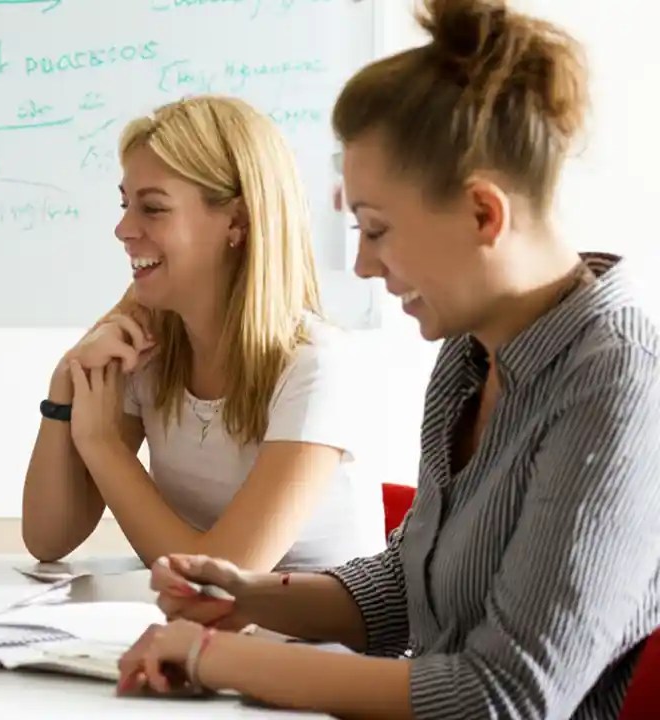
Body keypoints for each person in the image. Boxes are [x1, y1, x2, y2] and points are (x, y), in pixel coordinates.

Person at [116, 1, 660, 717]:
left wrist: (220, 657)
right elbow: (413, 584)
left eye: (377, 229)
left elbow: (506, 696)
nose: (365, 265)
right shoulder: (469, 356)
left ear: (483, 215)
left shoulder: (617, 382)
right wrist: (249, 598)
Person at [22, 94, 383, 571]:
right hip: (210, 635)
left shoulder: (316, 365)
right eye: (126, 203)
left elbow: (225, 574)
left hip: (314, 642)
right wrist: (65, 380)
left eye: (152, 208)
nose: (123, 229)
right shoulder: (147, 349)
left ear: (236, 221)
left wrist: (103, 444)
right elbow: (49, 540)